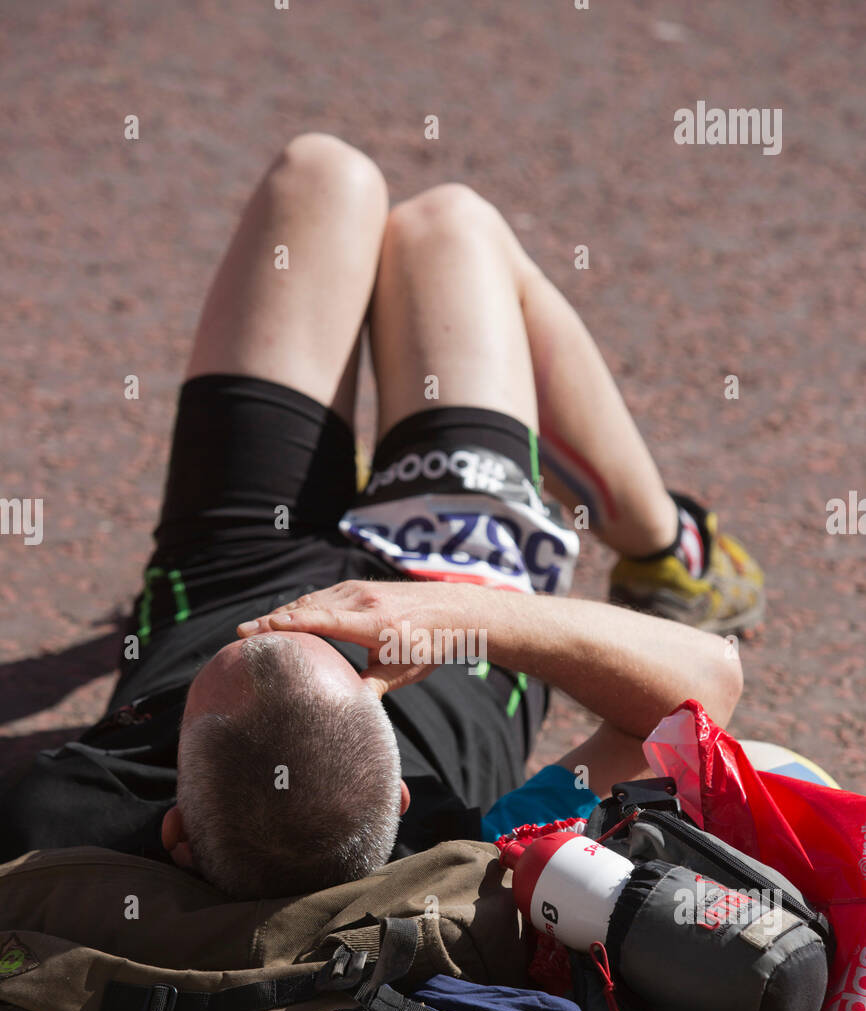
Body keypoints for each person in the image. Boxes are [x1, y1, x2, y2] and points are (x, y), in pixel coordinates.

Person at [0, 134, 750, 898]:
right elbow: (706, 684)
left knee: (321, 174)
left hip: (233, 565)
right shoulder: (468, 855)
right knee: (449, 226)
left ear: (175, 832)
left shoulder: (55, 821)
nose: (316, 624)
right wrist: (458, 610)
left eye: (270, 637)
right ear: (400, 805)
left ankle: (356, 480)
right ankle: (666, 545)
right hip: (453, 592)